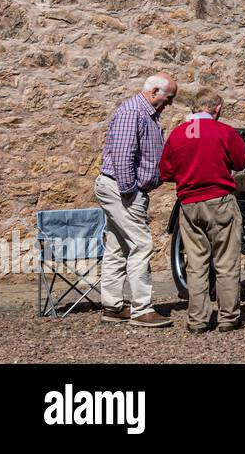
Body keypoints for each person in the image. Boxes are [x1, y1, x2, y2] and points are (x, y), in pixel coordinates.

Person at [158, 87, 245, 333]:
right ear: (216, 108)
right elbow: (241, 161)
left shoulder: (177, 134)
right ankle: (228, 317)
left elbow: (165, 172)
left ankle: (197, 320)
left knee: (196, 264)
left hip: (188, 203)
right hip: (219, 201)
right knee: (226, 261)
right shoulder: (223, 131)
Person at [96, 72, 178, 327]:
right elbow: (122, 155)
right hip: (122, 190)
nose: (171, 103)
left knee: (117, 247)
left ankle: (112, 306)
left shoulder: (146, 113)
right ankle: (142, 309)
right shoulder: (133, 112)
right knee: (142, 245)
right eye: (169, 97)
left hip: (122, 189)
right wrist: (130, 190)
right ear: (154, 92)